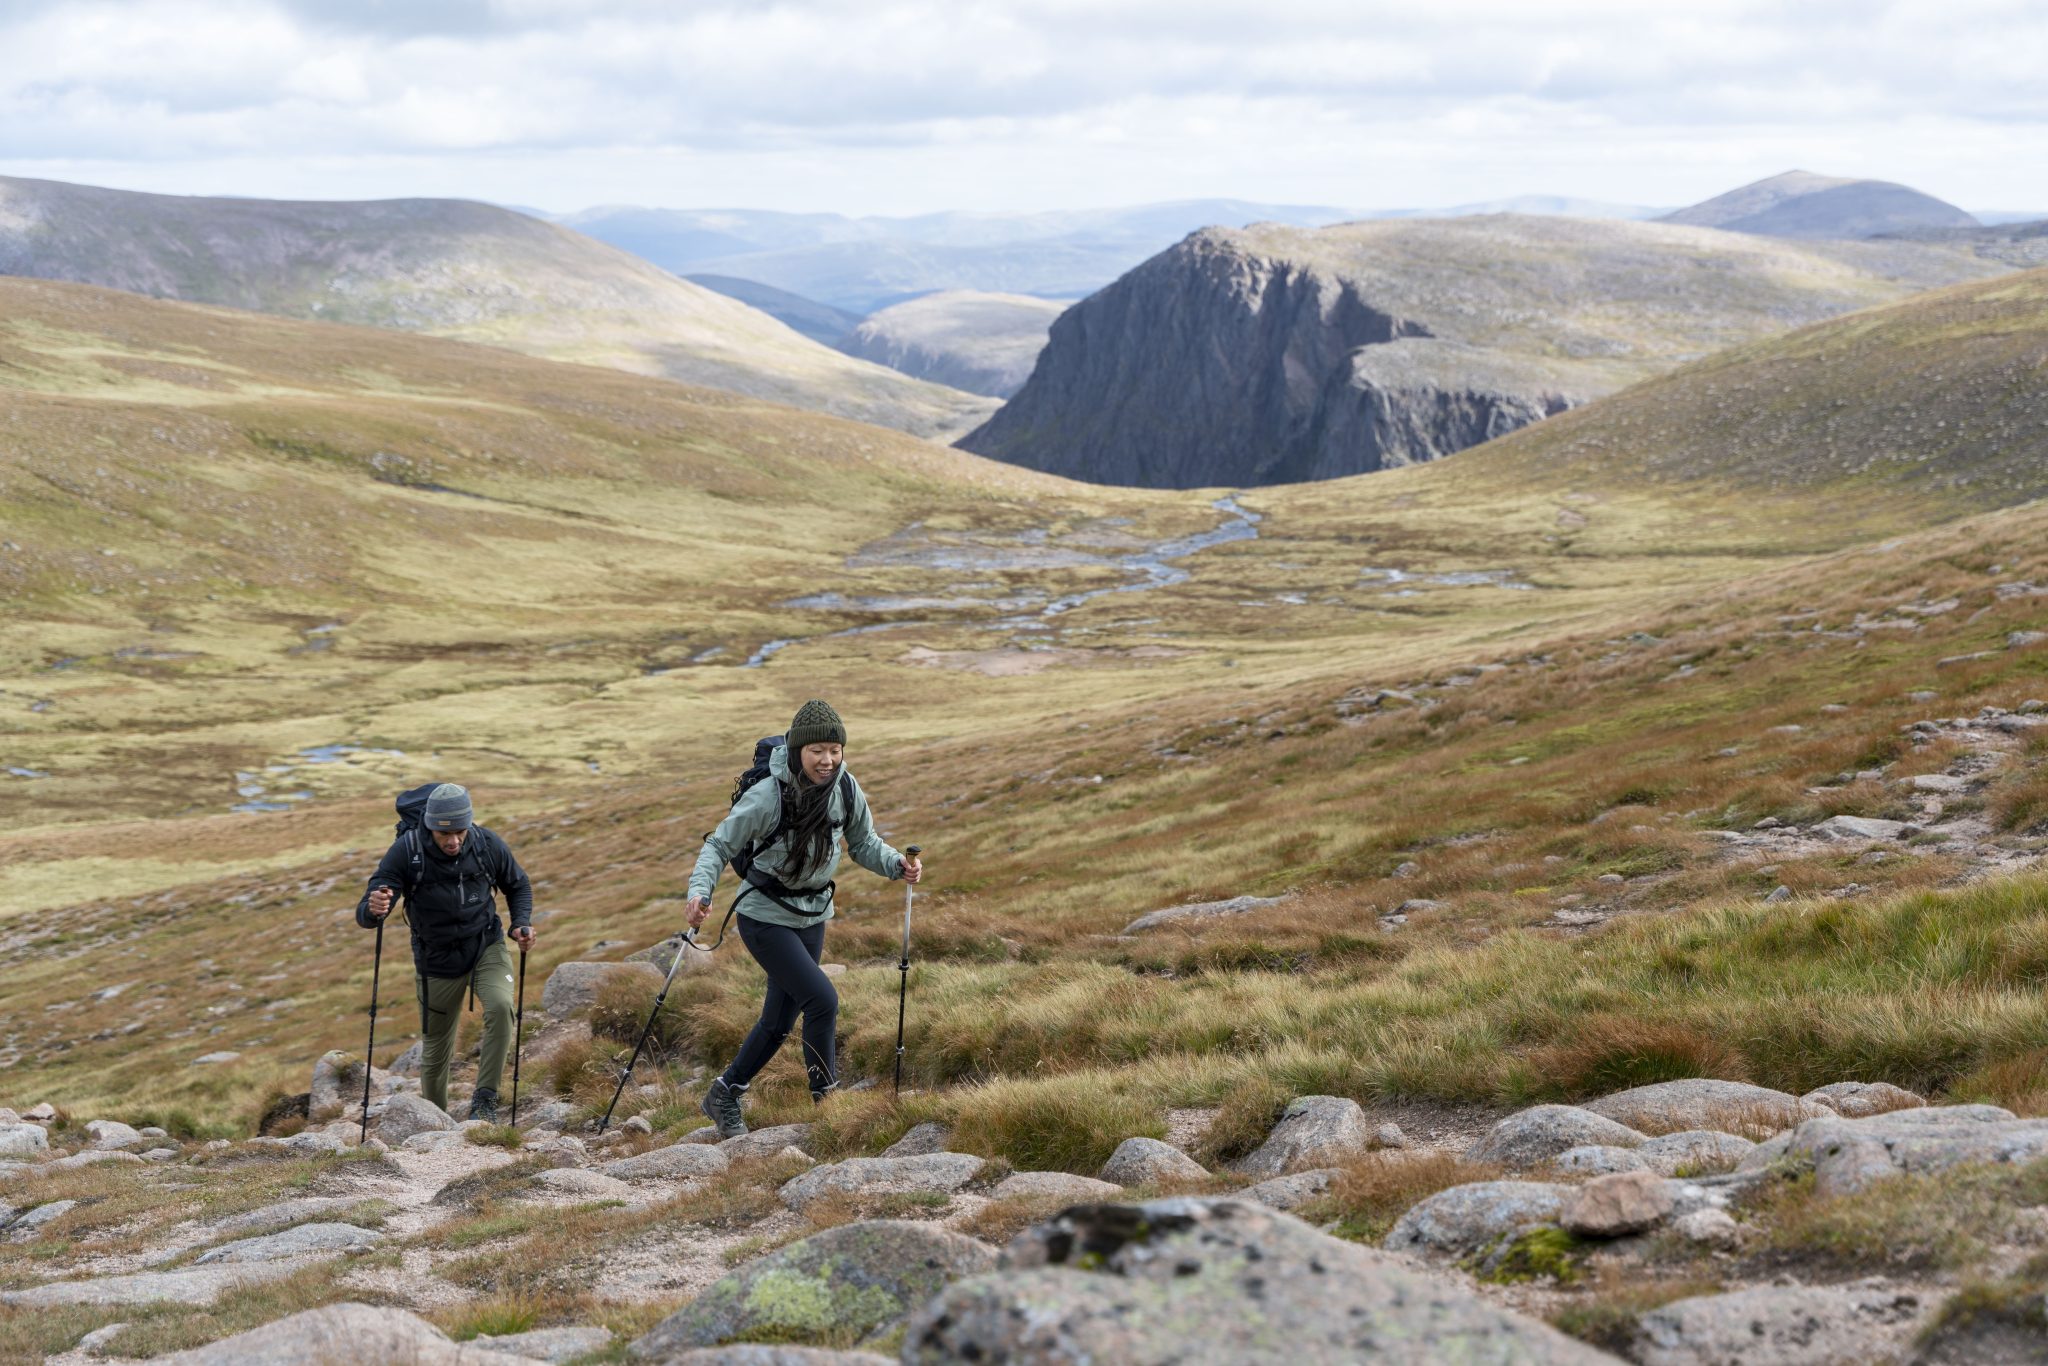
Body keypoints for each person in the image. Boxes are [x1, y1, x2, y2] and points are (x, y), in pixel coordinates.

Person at [686, 699, 922, 1137]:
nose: (827, 759)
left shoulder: (846, 789)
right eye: (817, 750)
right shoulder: (766, 796)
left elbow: (865, 842)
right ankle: (828, 1101)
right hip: (764, 916)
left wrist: (895, 865)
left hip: (812, 913)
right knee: (822, 1000)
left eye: (835, 749)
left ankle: (724, 1093)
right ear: (798, 750)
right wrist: (699, 892)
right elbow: (718, 845)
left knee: (778, 1022)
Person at [356, 783, 535, 1122]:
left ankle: (484, 1103)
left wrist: (519, 923)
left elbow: (517, 884)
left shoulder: (486, 843)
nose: (453, 840)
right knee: (437, 1048)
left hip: (486, 944)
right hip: (436, 959)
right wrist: (374, 908)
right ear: (429, 826)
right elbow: (371, 906)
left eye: (459, 831)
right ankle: (435, 1121)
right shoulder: (406, 852)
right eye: (444, 833)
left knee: (500, 1007)